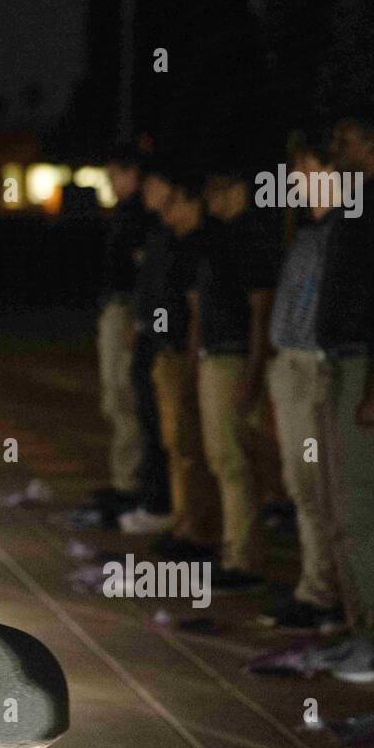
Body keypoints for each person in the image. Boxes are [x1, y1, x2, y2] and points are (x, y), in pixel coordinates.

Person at [303, 112, 374, 683]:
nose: (334, 147)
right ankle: (359, 629)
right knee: (334, 509)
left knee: (353, 510)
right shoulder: (353, 205)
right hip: (338, 365)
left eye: (344, 140)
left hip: (359, 369)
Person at [257, 138, 345, 632]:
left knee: (315, 485)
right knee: (302, 484)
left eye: (304, 166)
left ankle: (324, 593)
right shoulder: (312, 233)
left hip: (312, 367)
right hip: (293, 365)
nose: (292, 176)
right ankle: (319, 586)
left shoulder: (340, 233)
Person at [191, 167, 284, 590]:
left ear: (237, 188)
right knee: (224, 458)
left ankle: (243, 558)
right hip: (218, 355)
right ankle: (235, 549)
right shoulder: (224, 236)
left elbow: (261, 310)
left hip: (233, 358)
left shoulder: (250, 238)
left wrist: (252, 371)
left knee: (233, 459)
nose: (208, 197)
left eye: (215, 187)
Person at [131, 164, 221, 553]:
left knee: (190, 446)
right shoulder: (173, 241)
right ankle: (185, 520)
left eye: (172, 204)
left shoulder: (199, 244)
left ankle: (199, 528)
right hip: (166, 350)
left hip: (183, 353)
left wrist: (189, 353)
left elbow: (195, 309)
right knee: (175, 444)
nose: (165, 214)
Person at [75, 144, 158, 528]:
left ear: (134, 174)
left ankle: (132, 484)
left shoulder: (141, 214)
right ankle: (125, 479)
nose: (109, 182)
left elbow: (143, 272)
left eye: (114, 175)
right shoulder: (128, 211)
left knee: (124, 398)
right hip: (117, 307)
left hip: (126, 310)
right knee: (116, 399)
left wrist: (135, 318)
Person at [116, 157, 180, 536]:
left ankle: (162, 506)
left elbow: (169, 298)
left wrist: (155, 335)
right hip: (149, 339)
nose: (147, 193)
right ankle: (154, 501)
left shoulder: (171, 235)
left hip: (160, 344)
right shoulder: (158, 231)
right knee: (148, 422)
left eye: (154, 186)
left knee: (163, 430)